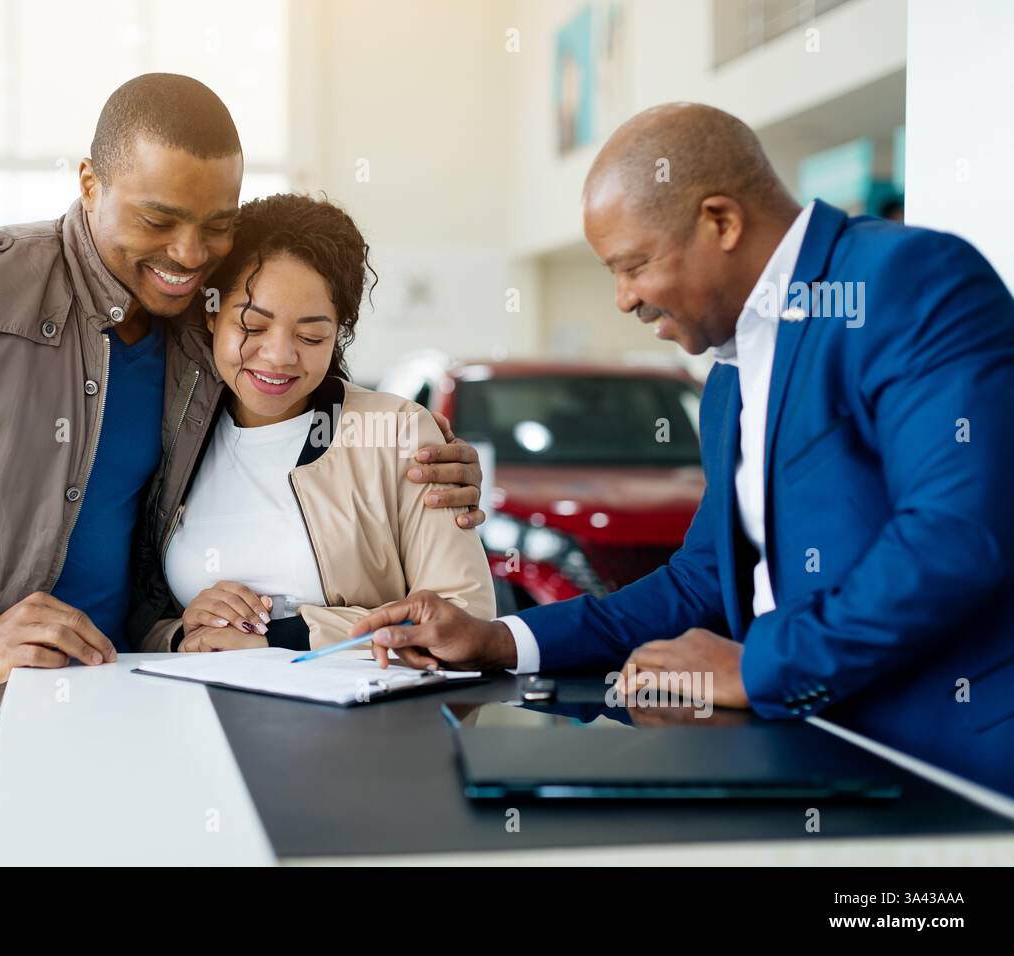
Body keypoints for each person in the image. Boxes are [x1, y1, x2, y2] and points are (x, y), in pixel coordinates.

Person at [0, 74, 486, 864]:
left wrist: (416, 448)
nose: (189, 255)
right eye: (159, 220)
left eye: (215, 227)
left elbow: (283, 429)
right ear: (90, 183)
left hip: (127, 737)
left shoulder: (202, 335)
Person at [351, 102, 1014, 795]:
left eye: (632, 265)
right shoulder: (730, 372)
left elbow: (954, 538)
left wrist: (759, 666)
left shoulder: (908, 280)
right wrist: (499, 640)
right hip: (798, 758)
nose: (623, 300)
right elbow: (700, 579)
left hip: (950, 767)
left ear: (720, 221)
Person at [138, 194, 494, 654]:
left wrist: (289, 637)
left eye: (311, 336)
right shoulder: (176, 435)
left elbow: (468, 619)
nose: (280, 356)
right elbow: (139, 619)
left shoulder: (400, 433)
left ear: (338, 332)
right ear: (211, 313)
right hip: (204, 714)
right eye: (252, 325)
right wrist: (185, 634)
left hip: (362, 721)